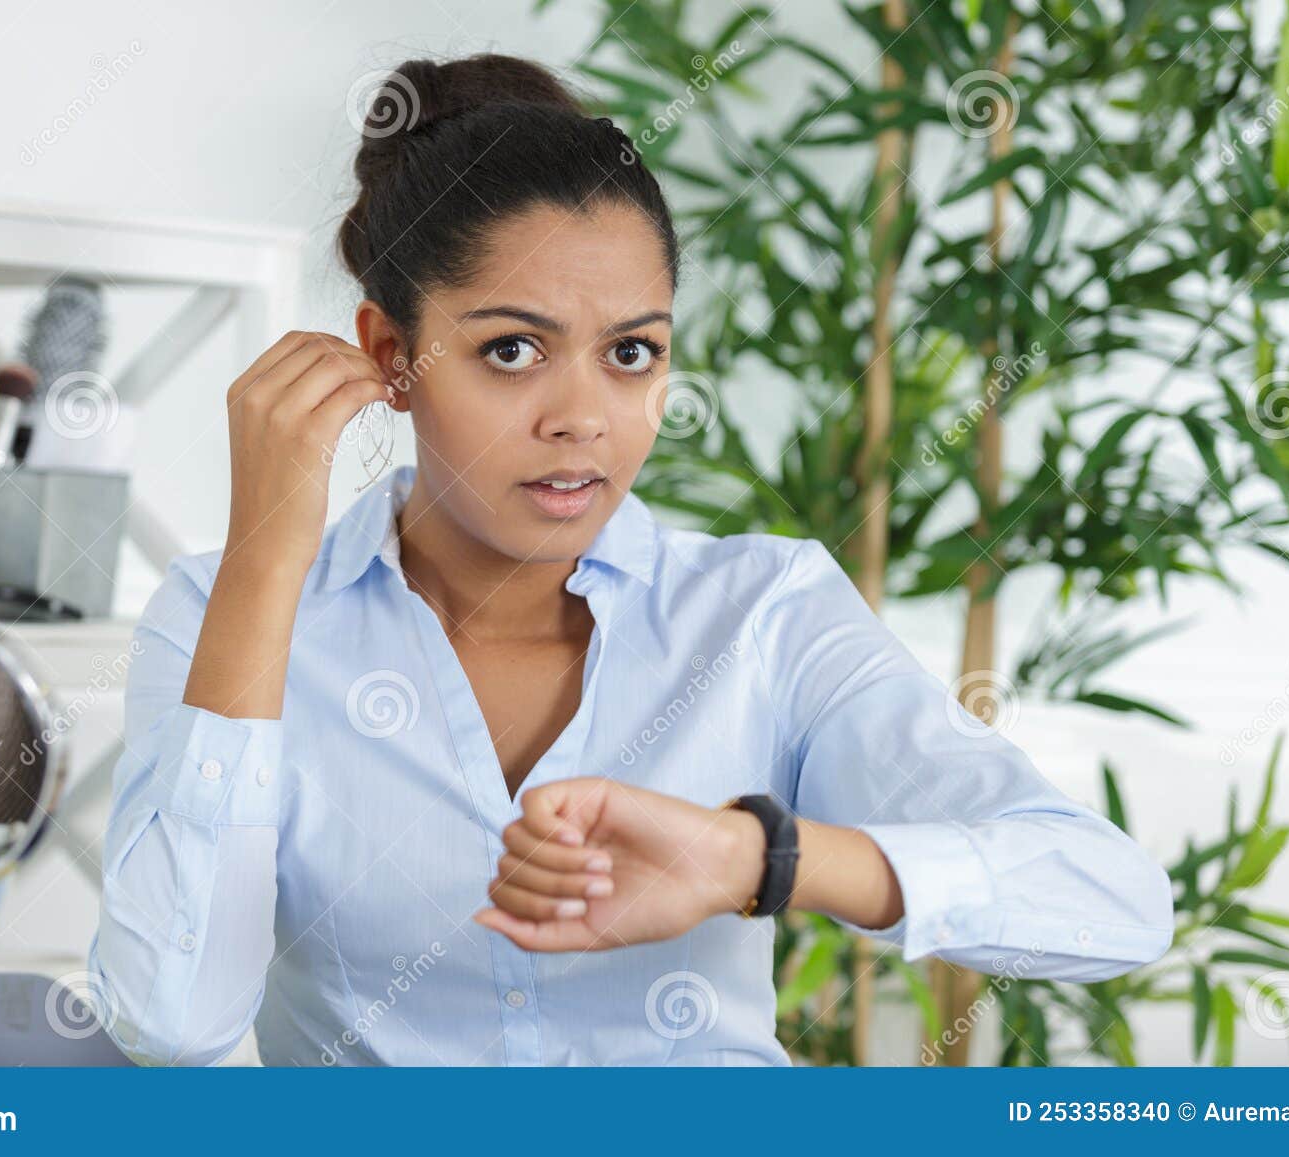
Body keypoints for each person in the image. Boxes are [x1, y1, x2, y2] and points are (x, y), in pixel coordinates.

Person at [87, 53, 1174, 1067]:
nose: (584, 419)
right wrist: (271, 559)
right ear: (391, 357)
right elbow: (170, 1019)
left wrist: (758, 860)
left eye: (631, 353)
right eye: (512, 350)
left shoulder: (761, 610)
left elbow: (1111, 900)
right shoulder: (217, 616)